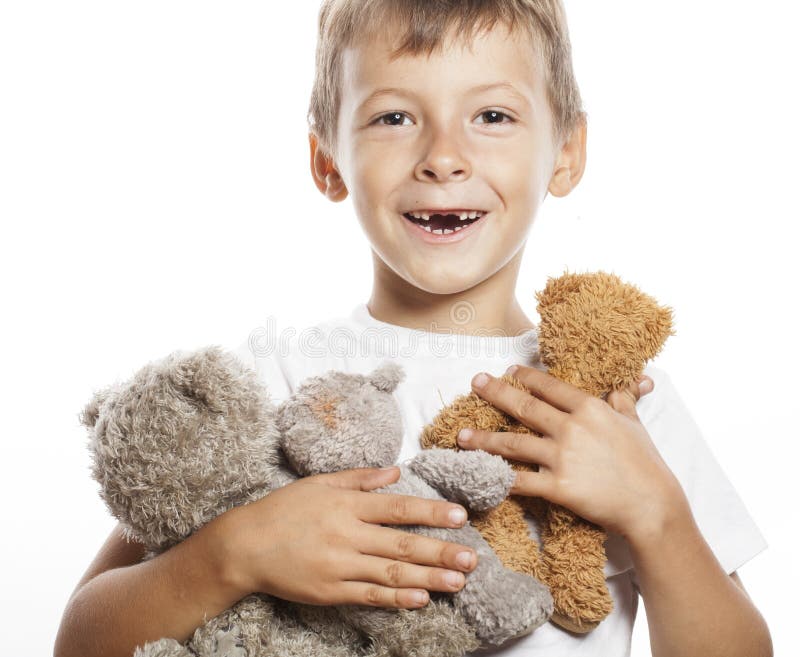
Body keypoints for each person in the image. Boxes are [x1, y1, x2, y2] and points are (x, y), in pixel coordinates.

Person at [54, 1, 772, 656]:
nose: (443, 156)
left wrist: (657, 514)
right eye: (394, 117)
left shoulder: (622, 408)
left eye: (492, 116)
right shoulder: (268, 380)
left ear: (567, 152)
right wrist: (230, 552)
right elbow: (81, 640)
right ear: (327, 160)